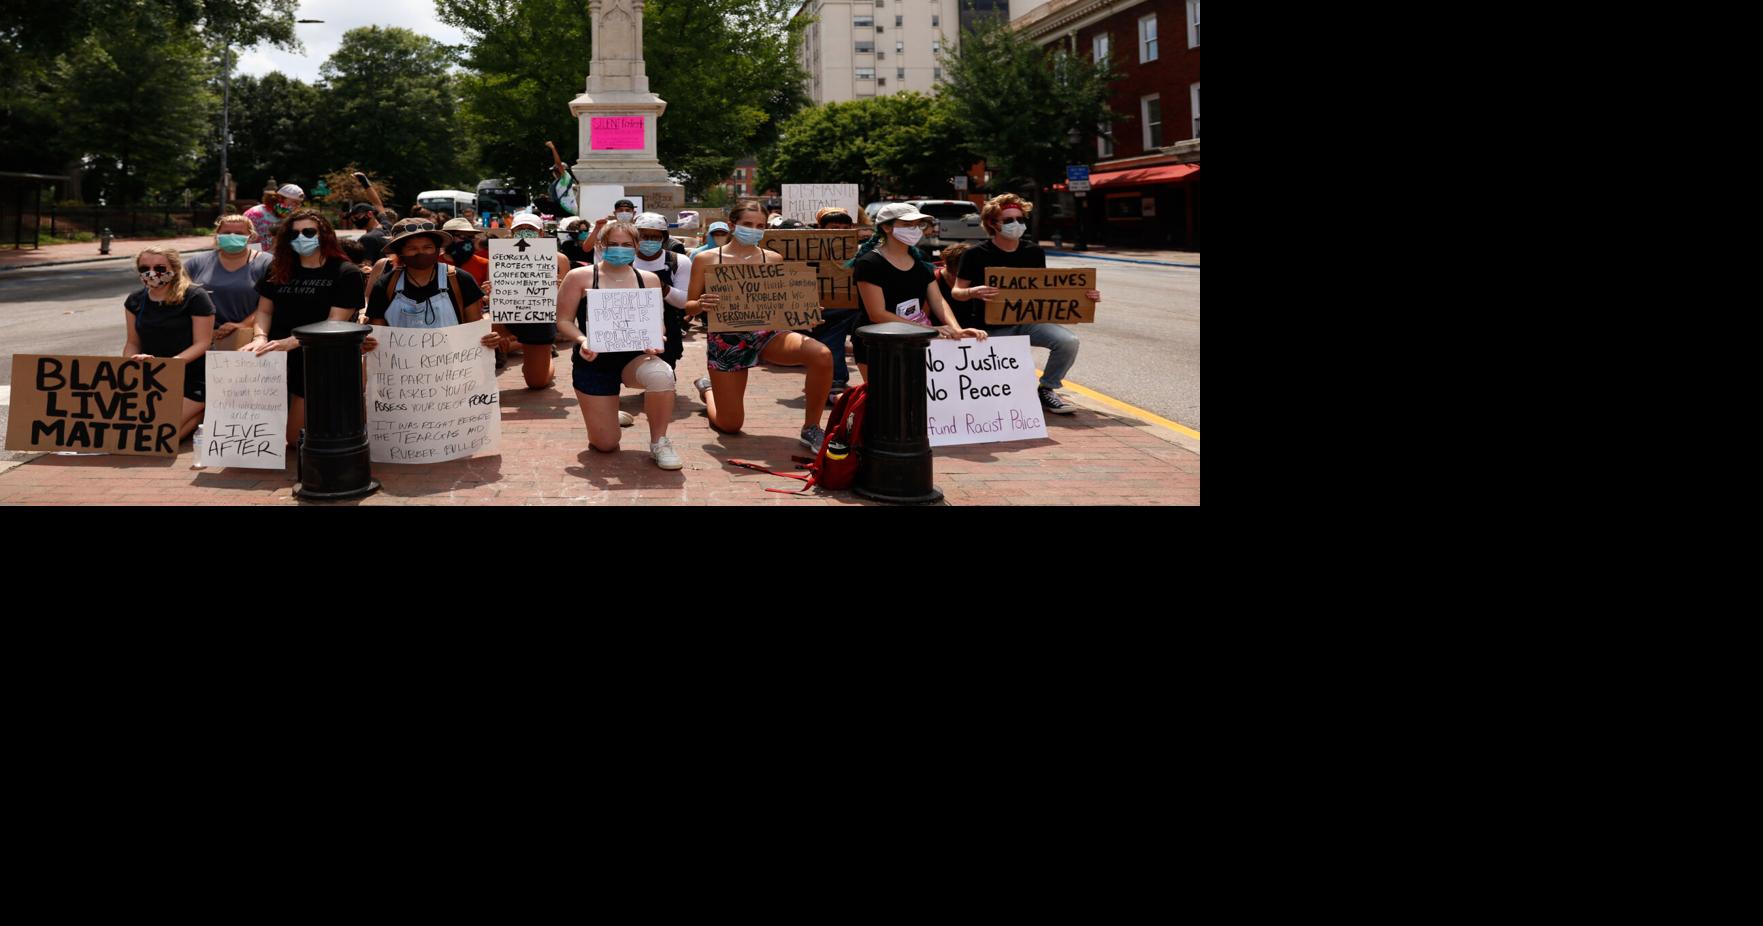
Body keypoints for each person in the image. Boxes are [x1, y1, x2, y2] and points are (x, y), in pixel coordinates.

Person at [685, 199, 834, 451]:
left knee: (821, 354)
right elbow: (688, 305)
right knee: (729, 425)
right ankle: (708, 390)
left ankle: (811, 428)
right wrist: (701, 304)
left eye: (760, 225)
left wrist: (803, 311)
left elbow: (778, 300)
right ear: (732, 225)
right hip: (727, 339)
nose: (753, 229)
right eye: (747, 224)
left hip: (768, 334)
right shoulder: (706, 259)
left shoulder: (773, 258)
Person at [949, 193, 1099, 415]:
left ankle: (1048, 388)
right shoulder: (974, 254)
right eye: (1008, 220)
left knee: (1068, 341)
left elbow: (1044, 290)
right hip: (989, 327)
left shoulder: (1034, 252)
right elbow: (956, 292)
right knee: (1002, 390)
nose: (1016, 224)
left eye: (1020, 219)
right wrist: (972, 292)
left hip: (1028, 321)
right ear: (993, 224)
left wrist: (1083, 295)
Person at [555, 220, 681, 470]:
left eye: (626, 244)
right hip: (594, 358)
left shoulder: (649, 280)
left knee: (661, 374)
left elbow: (658, 323)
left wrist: (656, 339)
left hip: (634, 358)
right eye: (613, 244)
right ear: (601, 245)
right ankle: (608, 413)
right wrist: (582, 340)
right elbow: (563, 320)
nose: (620, 249)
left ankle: (660, 442)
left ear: (636, 246)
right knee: (606, 444)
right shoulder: (579, 276)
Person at [245, 210, 366, 444]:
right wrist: (259, 337)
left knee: (293, 440)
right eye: (294, 233)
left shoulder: (345, 273)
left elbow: (334, 323)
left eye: (308, 232)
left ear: (325, 235)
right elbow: (264, 310)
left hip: (318, 358)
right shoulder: (278, 268)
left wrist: (290, 342)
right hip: (274, 355)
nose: (301, 237)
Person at [847, 203, 987, 381]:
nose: (914, 229)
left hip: (915, 339)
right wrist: (929, 330)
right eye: (907, 225)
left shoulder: (920, 258)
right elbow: (877, 314)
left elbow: (938, 300)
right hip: (876, 342)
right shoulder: (869, 263)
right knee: (882, 399)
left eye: (918, 224)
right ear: (886, 227)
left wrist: (957, 330)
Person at [361, 221, 500, 349]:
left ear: (437, 249)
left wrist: (488, 338)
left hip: (455, 368)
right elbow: (377, 334)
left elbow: (474, 327)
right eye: (412, 248)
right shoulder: (385, 285)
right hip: (399, 371)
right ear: (400, 253)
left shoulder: (461, 279)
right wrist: (369, 343)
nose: (421, 253)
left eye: (427, 247)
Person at [125, 246, 212, 442]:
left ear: (174, 268)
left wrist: (172, 364)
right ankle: (198, 416)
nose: (152, 273)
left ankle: (202, 408)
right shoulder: (134, 301)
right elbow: (132, 342)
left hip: (193, 376)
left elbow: (203, 342)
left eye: (160, 268)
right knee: (140, 436)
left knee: (158, 437)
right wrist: (131, 362)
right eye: (144, 268)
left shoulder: (195, 296)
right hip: (153, 377)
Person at [182, 213, 272, 346]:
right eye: (227, 232)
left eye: (239, 233)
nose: (232, 236)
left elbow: (269, 305)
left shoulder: (266, 263)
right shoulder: (197, 262)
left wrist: (242, 324)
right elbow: (179, 295)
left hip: (248, 338)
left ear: (250, 236)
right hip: (200, 337)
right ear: (217, 235)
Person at [804, 207, 863, 403]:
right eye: (835, 227)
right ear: (820, 228)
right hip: (824, 308)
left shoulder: (862, 250)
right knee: (830, 341)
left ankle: (837, 379)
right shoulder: (807, 251)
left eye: (846, 227)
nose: (840, 231)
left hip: (854, 306)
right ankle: (834, 380)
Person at [632, 212, 692, 370]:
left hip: (668, 325)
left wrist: (662, 287)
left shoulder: (678, 261)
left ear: (664, 238)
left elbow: (683, 301)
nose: (649, 241)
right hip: (629, 323)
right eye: (644, 236)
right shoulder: (625, 260)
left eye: (655, 237)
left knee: (663, 375)